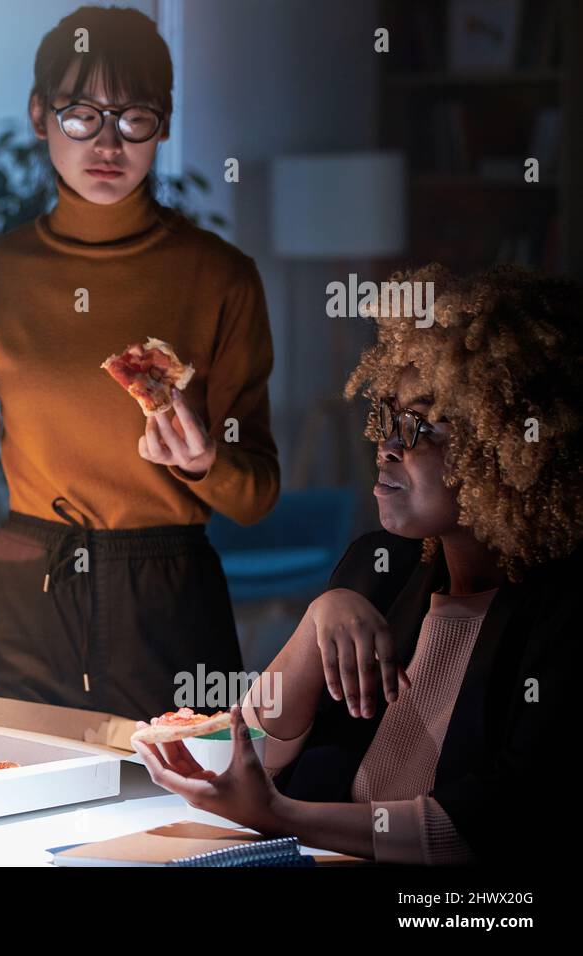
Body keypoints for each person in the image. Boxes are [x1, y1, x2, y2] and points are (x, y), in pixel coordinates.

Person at [0, 6, 278, 719]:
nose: (107, 141)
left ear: (163, 123)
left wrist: (201, 463)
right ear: (40, 115)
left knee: (191, 818)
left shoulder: (222, 277)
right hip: (30, 591)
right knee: (22, 806)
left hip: (173, 596)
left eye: (134, 117)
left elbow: (256, 496)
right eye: (80, 114)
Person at [135, 265, 581, 864]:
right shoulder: (381, 568)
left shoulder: (561, 617)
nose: (387, 445)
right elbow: (242, 754)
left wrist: (276, 816)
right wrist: (316, 621)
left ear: (512, 449)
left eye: (420, 427)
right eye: (386, 417)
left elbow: (496, 824)